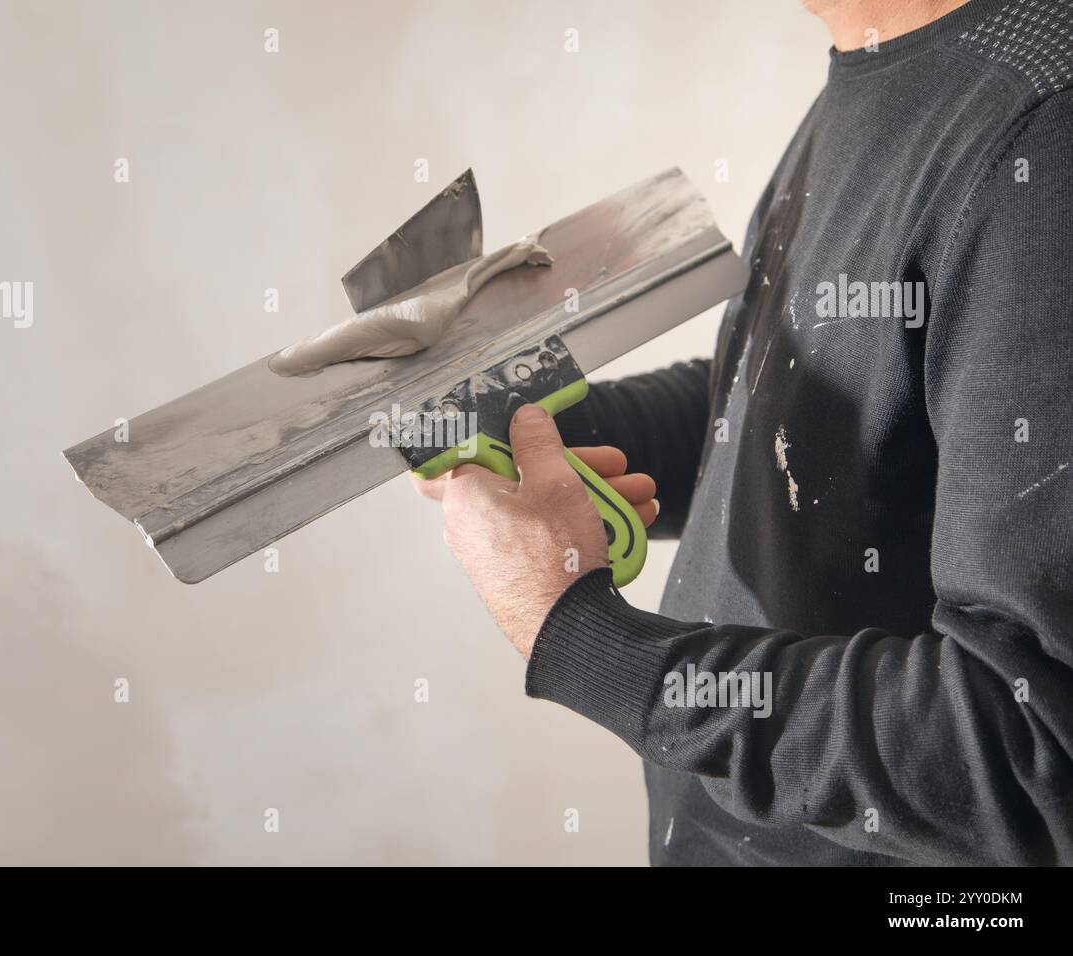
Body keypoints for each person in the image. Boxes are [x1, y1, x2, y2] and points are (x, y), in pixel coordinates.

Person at [414, 0, 1073, 865]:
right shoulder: (886, 61)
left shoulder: (1040, 138)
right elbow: (799, 405)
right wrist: (526, 423)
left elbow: (1024, 752)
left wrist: (578, 637)